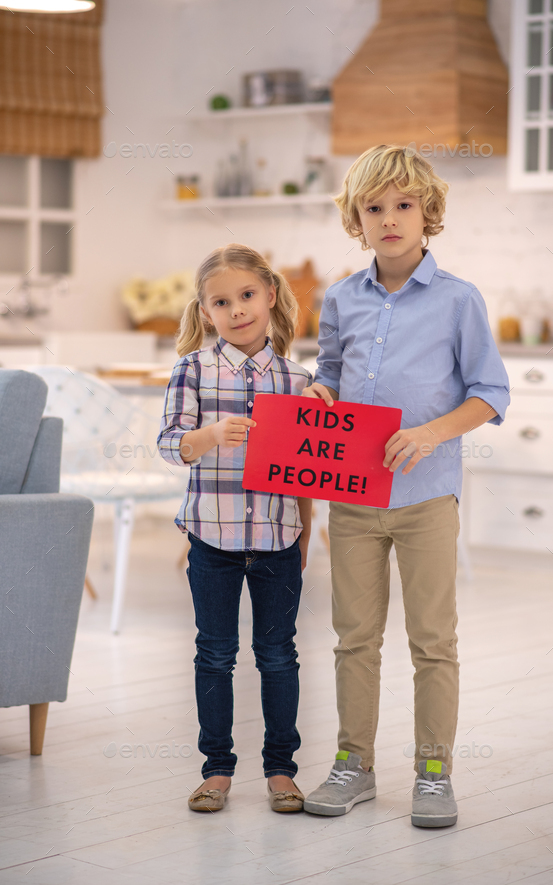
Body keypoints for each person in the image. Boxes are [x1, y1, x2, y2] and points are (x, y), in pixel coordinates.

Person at [302, 144, 510, 827]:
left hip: (426, 499)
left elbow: (489, 392)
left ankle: (431, 771)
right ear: (355, 219)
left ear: (428, 214)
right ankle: (352, 764)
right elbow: (331, 369)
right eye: (373, 207)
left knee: (432, 640)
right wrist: (319, 392)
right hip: (353, 498)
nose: (388, 219)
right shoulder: (339, 297)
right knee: (353, 637)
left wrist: (430, 434)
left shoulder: (459, 301)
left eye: (403, 205)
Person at [157, 243, 313, 814]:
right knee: (214, 654)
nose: (238, 309)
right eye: (222, 302)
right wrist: (209, 435)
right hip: (211, 542)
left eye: (247, 295)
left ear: (270, 296)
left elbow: (308, 473)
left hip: (276, 542)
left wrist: (304, 533)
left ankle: (281, 771)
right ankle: (217, 769)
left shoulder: (300, 381)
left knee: (278, 655)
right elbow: (170, 445)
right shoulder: (191, 369)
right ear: (205, 313)